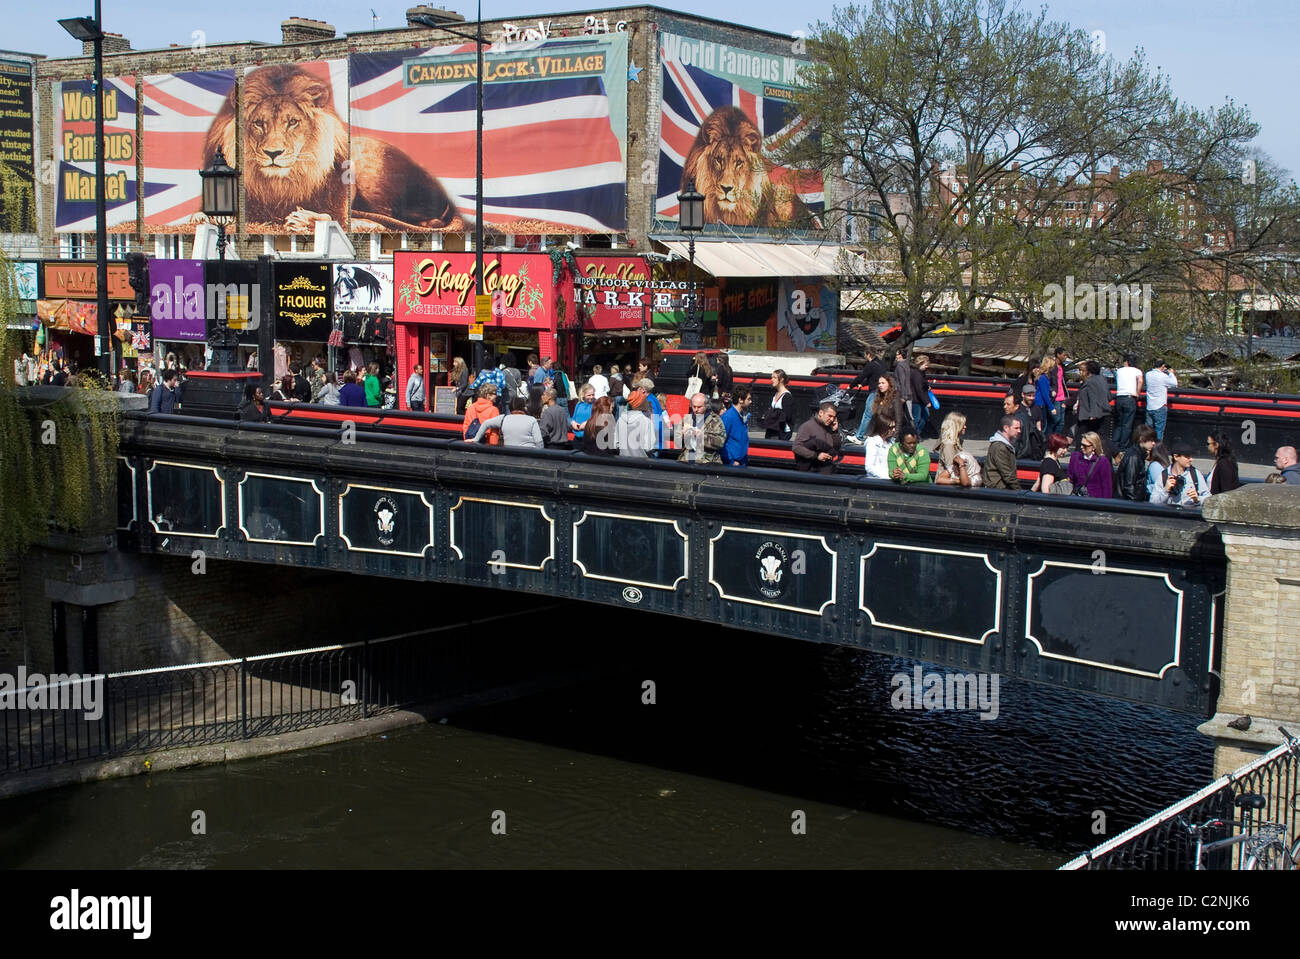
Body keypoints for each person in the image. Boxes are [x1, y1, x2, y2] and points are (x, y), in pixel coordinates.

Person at [471, 396, 544, 448]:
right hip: (529, 454)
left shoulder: (503, 418)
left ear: (510, 407)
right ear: (524, 407)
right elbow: (539, 441)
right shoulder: (532, 420)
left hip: (509, 453)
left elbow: (485, 423)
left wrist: (475, 440)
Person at [1150, 443, 1209, 507]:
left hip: (1189, 515)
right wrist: (1166, 490)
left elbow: (1209, 499)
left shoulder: (1195, 474)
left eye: (1191, 456)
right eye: (1187, 457)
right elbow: (1153, 502)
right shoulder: (1164, 476)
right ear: (1176, 457)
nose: (1191, 459)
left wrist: (1197, 499)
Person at [847, 347, 888, 440]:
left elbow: (862, 376)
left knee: (867, 415)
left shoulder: (871, 365)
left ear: (868, 354)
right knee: (879, 414)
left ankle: (859, 436)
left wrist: (851, 386)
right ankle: (882, 434)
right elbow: (872, 377)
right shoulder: (881, 364)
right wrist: (863, 384)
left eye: (865, 355)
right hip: (882, 391)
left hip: (874, 391)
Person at [933, 411, 982, 488]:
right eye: (963, 424)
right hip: (946, 487)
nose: (965, 427)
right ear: (955, 426)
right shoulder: (948, 446)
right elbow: (952, 470)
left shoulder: (955, 443)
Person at [792, 401, 842, 473]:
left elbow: (836, 448)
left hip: (826, 468)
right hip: (810, 469)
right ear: (821, 413)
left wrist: (835, 432)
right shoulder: (807, 426)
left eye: (834, 417)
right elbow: (796, 447)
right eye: (830, 416)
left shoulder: (830, 428)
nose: (831, 419)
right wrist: (816, 455)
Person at [675, 392, 726, 464]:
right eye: (694, 406)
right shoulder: (687, 418)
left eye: (699, 407)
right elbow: (677, 442)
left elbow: (720, 443)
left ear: (706, 406)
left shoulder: (715, 420)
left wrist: (701, 436)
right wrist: (682, 435)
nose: (696, 410)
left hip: (707, 462)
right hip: (687, 460)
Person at [1113, 424, 1157, 501]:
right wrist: (1136, 504)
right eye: (1151, 440)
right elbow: (1129, 485)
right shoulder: (1134, 457)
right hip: (1129, 503)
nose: (1154, 443)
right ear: (1142, 439)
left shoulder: (1138, 455)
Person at [1072, 361, 1110, 448]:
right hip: (1101, 411)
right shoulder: (1102, 379)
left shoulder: (1090, 382)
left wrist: (1093, 413)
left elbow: (1092, 398)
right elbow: (1109, 395)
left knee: (1082, 435)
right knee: (1100, 435)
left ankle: (1078, 454)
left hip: (1088, 413)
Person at [1067, 431, 1113, 498]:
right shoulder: (1075, 457)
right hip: (1077, 498)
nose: (1081, 447)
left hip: (1095, 501)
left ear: (1093, 447)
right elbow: (1070, 478)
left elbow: (1107, 486)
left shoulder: (1102, 461)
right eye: (1081, 444)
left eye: (1085, 446)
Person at [984, 415, 1023, 490]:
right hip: (998, 489)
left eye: (1019, 428)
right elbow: (1007, 474)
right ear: (1006, 428)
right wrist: (1019, 491)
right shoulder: (1000, 447)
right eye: (1016, 428)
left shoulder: (1005, 445)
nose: (1019, 431)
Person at [1113, 353, 1143, 449]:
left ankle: (1114, 443)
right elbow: (1140, 381)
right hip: (1130, 398)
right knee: (1127, 424)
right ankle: (1123, 446)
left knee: (1119, 423)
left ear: (1126, 361)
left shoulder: (1119, 371)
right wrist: (1137, 393)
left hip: (1119, 397)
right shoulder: (1137, 371)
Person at [1144, 359, 1178, 440]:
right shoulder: (1163, 376)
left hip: (1149, 406)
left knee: (1148, 430)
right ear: (1163, 366)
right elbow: (1174, 383)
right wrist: (1171, 373)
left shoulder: (1148, 374)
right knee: (1159, 430)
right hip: (1160, 406)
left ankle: (1146, 448)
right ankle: (1157, 449)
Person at [616, 389, 656, 457]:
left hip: (623, 462)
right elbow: (649, 447)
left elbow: (616, 444)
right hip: (641, 463)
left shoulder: (620, 420)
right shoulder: (647, 422)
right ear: (641, 404)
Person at [720, 386, 752, 467]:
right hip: (733, 464)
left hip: (741, 461)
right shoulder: (728, 417)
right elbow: (721, 441)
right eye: (748, 399)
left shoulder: (741, 416)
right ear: (740, 400)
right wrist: (731, 461)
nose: (751, 401)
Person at [1003, 391, 1041, 459]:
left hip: (1021, 456)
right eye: (1004, 404)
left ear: (1016, 406)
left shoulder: (1016, 421)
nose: (1005, 407)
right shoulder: (1024, 416)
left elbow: (1015, 442)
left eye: (1008, 404)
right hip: (1029, 455)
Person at [761, 369, 795, 440]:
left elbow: (787, 416)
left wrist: (774, 414)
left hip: (781, 431)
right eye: (771, 377)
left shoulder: (787, 396)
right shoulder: (776, 394)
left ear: (781, 379)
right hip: (772, 428)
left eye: (774, 377)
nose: (772, 380)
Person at [863, 413, 896, 479]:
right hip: (878, 481)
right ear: (882, 427)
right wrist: (888, 476)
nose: (894, 430)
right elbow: (869, 467)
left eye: (894, 427)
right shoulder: (872, 442)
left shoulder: (892, 441)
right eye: (891, 427)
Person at [1033, 356, 1058, 435]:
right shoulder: (1043, 378)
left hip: (1040, 403)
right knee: (1042, 426)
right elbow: (1044, 394)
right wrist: (1051, 407)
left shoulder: (1042, 377)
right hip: (1040, 404)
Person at [910, 355, 933, 437]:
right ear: (920, 364)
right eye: (925, 365)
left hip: (918, 399)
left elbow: (921, 385)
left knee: (921, 417)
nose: (927, 366)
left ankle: (915, 434)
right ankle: (914, 434)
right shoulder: (917, 374)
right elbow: (919, 389)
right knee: (918, 418)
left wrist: (927, 386)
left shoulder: (920, 373)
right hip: (916, 400)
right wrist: (926, 402)